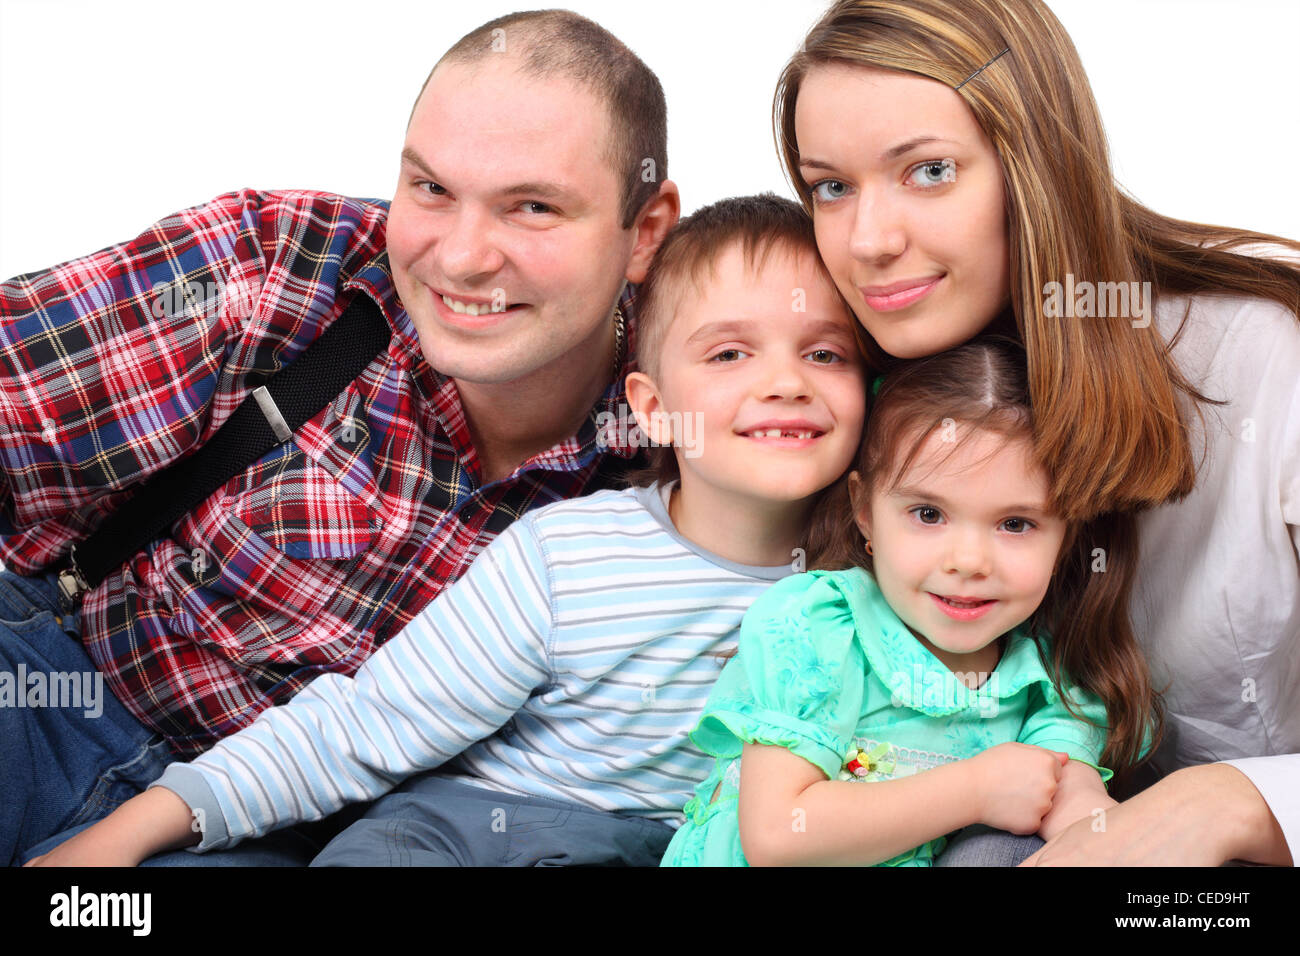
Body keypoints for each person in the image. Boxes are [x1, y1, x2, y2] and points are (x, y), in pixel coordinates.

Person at [0, 9, 681, 866]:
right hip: (55, 687)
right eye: (431, 189)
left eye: (533, 207)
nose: (461, 258)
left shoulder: (698, 426)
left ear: (645, 230)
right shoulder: (283, 262)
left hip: (267, 839)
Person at [23, 193, 868, 866]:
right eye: (730, 354)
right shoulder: (567, 557)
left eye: (825, 354)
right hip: (457, 837)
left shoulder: (882, 591)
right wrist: (138, 829)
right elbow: (367, 724)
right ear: (647, 406)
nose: (786, 383)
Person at [773, 0, 1299, 865]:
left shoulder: (1264, 357)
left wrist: (1233, 799)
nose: (867, 240)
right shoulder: (843, 393)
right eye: (831, 186)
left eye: (930, 170)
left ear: (1038, 166)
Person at [661, 337, 1161, 866]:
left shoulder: (1049, 680)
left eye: (1015, 524)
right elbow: (779, 836)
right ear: (866, 511)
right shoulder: (821, 629)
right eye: (928, 514)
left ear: (1066, 539)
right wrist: (973, 790)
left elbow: (1073, 803)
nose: (968, 561)